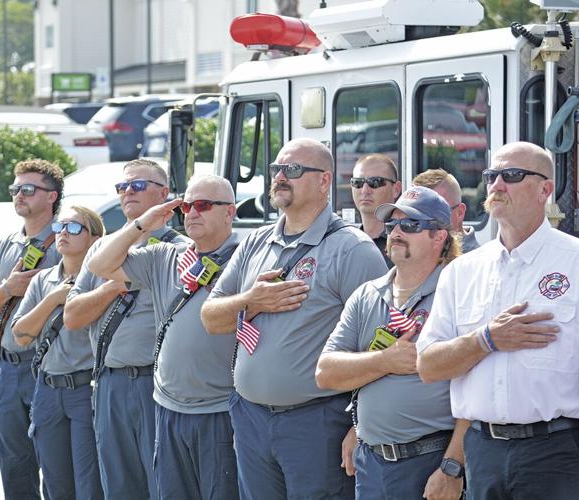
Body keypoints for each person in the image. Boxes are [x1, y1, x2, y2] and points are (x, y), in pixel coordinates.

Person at [201, 138, 388, 499]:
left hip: (316, 422)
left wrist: (358, 425)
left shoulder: (353, 249)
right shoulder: (256, 242)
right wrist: (251, 302)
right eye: (277, 170)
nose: (281, 177)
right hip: (251, 419)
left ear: (324, 181)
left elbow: (380, 344)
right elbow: (211, 318)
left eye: (294, 170)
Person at [417, 142, 579, 500]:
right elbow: (427, 365)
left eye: (513, 175)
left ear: (545, 190)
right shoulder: (462, 271)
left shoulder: (574, 262)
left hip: (557, 451)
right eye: (492, 176)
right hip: (482, 451)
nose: (496, 185)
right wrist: (486, 339)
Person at [88, 174, 241, 500]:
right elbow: (99, 265)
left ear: (230, 212)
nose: (192, 213)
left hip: (219, 410)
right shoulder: (167, 257)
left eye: (203, 205)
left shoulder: (245, 257)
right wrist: (141, 224)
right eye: (187, 206)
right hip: (169, 409)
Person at [317, 186, 467, 500]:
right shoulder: (367, 294)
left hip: (429, 462)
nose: (396, 232)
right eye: (391, 225)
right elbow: (326, 372)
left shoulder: (459, 293)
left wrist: (452, 467)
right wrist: (386, 361)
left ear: (439, 237)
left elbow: (479, 390)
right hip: (370, 463)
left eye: (410, 225)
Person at [64, 159, 187, 499]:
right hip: (110, 382)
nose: (127, 193)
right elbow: (72, 316)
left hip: (155, 383)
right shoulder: (102, 250)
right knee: (118, 487)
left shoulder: (179, 251)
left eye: (138, 186)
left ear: (163, 194)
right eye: (122, 187)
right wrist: (111, 287)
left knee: (161, 484)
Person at [0, 159, 62, 499]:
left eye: (28, 189)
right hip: (9, 370)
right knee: (14, 468)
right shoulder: (5, 244)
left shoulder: (65, 240)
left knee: (55, 471)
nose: (18, 196)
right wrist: (8, 289)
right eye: (15, 189)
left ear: (51, 196)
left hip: (48, 369)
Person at [11, 206, 105, 500]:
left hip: (85, 389)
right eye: (60, 226)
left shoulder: (102, 279)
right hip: (48, 390)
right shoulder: (43, 280)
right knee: (55, 483)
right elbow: (20, 334)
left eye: (74, 228)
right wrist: (53, 299)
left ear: (94, 238)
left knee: (89, 484)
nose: (63, 232)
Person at [350, 154, 402, 267]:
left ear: (396, 189)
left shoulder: (405, 240)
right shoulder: (345, 241)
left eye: (375, 182)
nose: (365, 190)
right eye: (357, 183)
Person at [413, 168, 480, 253]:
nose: (422, 223)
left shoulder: (476, 262)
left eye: (434, 214)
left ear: (460, 212)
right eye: (414, 215)